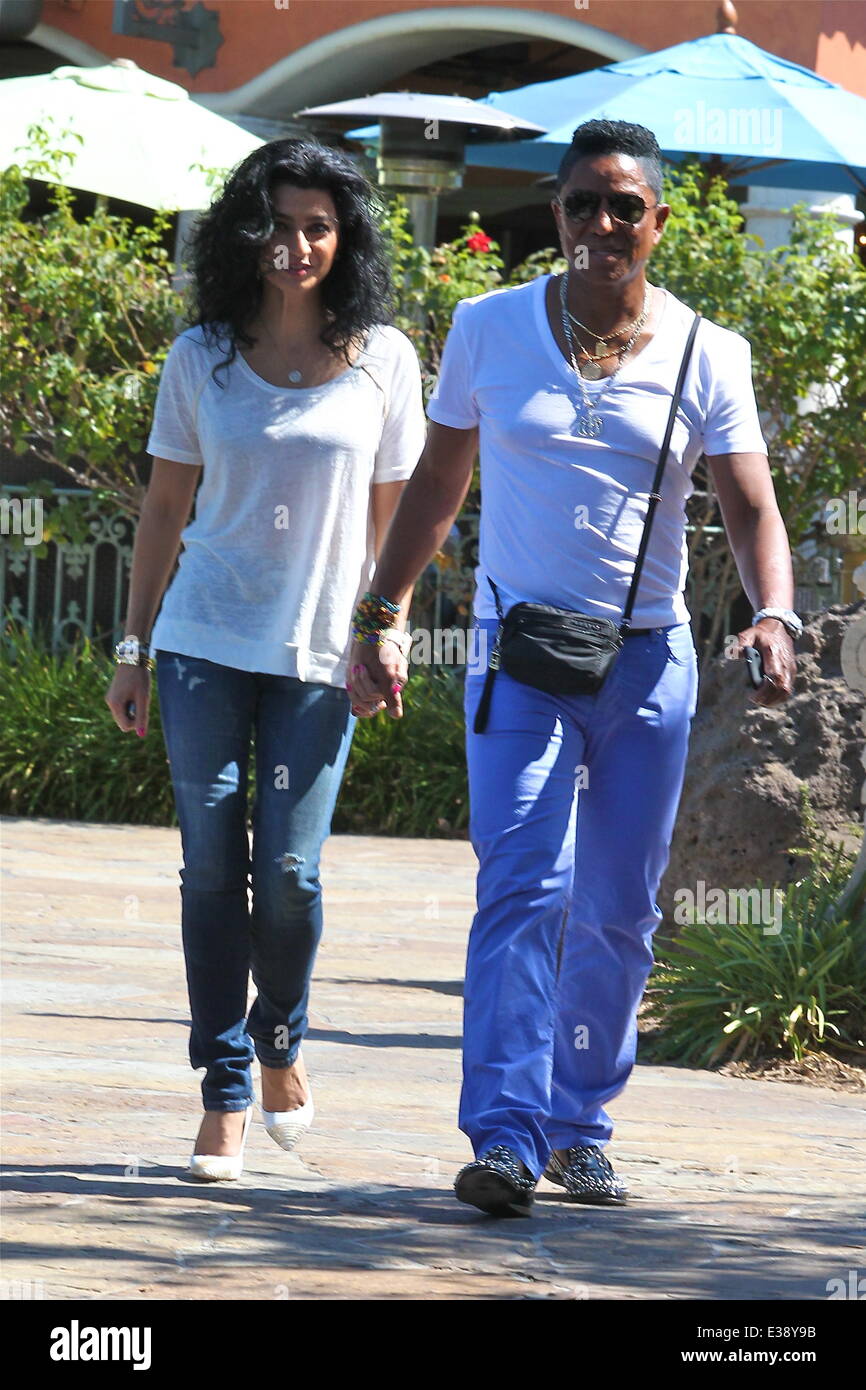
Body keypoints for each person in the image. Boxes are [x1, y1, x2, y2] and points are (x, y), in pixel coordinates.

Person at [348, 120, 799, 1216]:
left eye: (623, 207)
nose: (601, 225)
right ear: (552, 216)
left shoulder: (708, 351)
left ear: (655, 220)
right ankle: (503, 1135)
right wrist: (380, 608)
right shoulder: (488, 328)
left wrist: (773, 611)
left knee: (616, 910)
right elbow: (437, 487)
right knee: (522, 887)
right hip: (516, 656)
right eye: (579, 205)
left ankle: (576, 1121)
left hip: (646, 669)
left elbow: (748, 506)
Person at [106, 138, 425, 1181]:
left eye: (318, 226)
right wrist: (131, 644)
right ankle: (225, 1086)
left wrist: (390, 624)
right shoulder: (200, 354)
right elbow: (163, 506)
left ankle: (281, 1035)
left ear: (346, 239)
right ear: (248, 231)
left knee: (288, 872)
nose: (296, 244)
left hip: (319, 650)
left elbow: (400, 520)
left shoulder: (384, 357)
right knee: (211, 868)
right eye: (278, 223)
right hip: (202, 639)